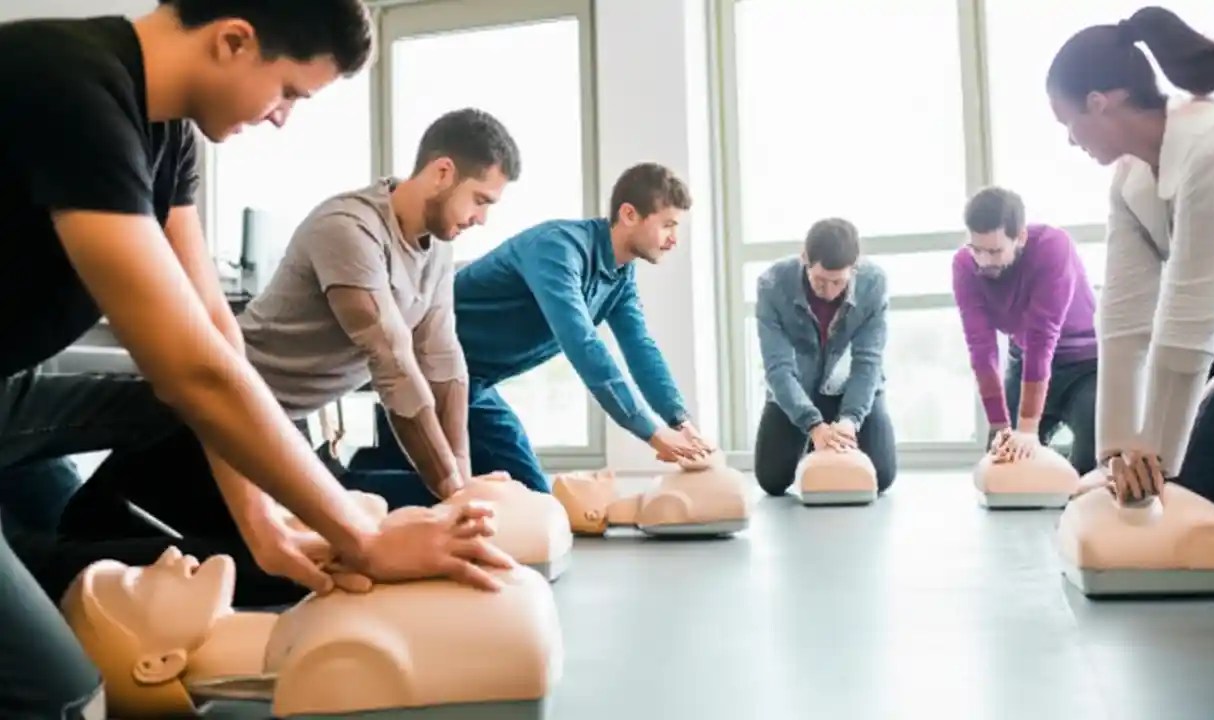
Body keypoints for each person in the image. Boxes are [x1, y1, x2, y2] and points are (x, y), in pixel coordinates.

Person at [0, 3, 511, 716]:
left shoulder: (169, 137)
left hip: (12, 391)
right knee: (65, 693)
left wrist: (266, 525)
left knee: (95, 513)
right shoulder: (69, 85)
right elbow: (192, 371)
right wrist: (360, 536)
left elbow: (218, 338)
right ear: (234, 40)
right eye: (289, 93)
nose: (281, 119)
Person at [59, 108, 521, 554]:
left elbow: (442, 361)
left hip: (282, 424)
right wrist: (452, 491)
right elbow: (393, 362)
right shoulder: (349, 228)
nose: (481, 218)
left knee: (314, 550)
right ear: (442, 172)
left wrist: (462, 479)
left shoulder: (436, 250)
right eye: (481, 200)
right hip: (222, 412)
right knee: (92, 534)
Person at [1045, 7, 1214, 508]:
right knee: (1182, 485)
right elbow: (1123, 318)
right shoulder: (1130, 181)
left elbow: (1196, 312)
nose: (1069, 139)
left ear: (1098, 103)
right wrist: (1117, 451)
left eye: (1068, 122)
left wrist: (1152, 455)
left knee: (1190, 488)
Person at [362, 163, 713, 493]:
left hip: (472, 380)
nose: (673, 239)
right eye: (668, 225)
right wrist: (651, 432)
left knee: (486, 488)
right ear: (629, 214)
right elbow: (582, 344)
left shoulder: (620, 277)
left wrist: (679, 421)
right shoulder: (558, 248)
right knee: (530, 493)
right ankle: (347, 491)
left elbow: (640, 349)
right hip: (428, 364)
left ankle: (362, 476)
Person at [952, 187, 1099, 474]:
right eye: (976, 249)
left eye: (994, 251)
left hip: (1084, 367)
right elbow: (980, 347)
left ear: (1019, 237)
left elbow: (1041, 338)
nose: (984, 261)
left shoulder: (1053, 246)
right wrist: (1000, 427)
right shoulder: (964, 265)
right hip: (1024, 364)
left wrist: (1028, 428)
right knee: (1003, 467)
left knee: (1088, 467)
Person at [753, 218, 897, 496]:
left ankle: (831, 435)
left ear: (854, 267)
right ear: (804, 258)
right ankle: (817, 440)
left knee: (882, 476)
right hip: (797, 389)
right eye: (820, 281)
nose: (829, 292)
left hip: (849, 389)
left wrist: (850, 420)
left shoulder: (873, 284)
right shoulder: (772, 285)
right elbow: (777, 367)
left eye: (838, 282)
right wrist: (812, 424)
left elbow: (867, 362)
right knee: (772, 480)